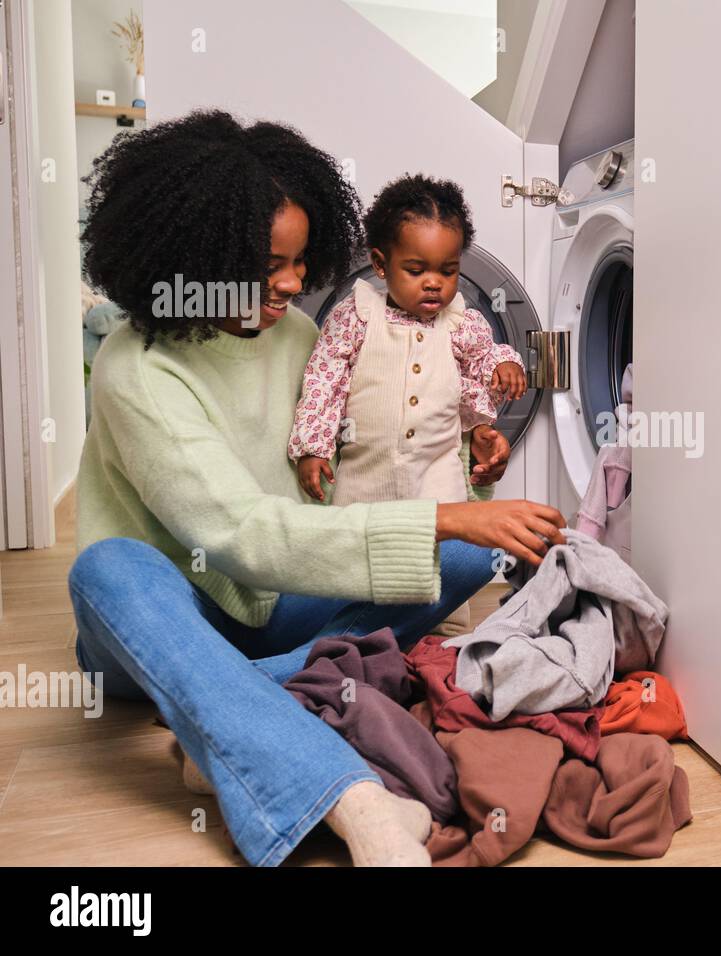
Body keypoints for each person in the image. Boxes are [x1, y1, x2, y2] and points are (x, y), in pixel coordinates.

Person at [70, 109, 566, 867]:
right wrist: (446, 518)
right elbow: (245, 535)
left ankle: (223, 714)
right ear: (200, 257)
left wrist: (475, 448)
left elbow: (360, 452)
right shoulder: (137, 369)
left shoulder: (295, 336)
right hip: (170, 616)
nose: (294, 284)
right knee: (107, 570)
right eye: (269, 265)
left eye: (302, 262)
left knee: (469, 558)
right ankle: (348, 799)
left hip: (271, 608)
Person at [288, 174, 528, 636]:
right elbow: (324, 378)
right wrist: (314, 446)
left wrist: (505, 363)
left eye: (448, 270)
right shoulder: (357, 315)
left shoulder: (461, 323)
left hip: (435, 474)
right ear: (381, 264)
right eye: (416, 271)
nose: (435, 284)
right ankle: (353, 635)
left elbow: (484, 360)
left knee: (445, 559)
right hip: (366, 474)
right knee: (359, 560)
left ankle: (439, 635)